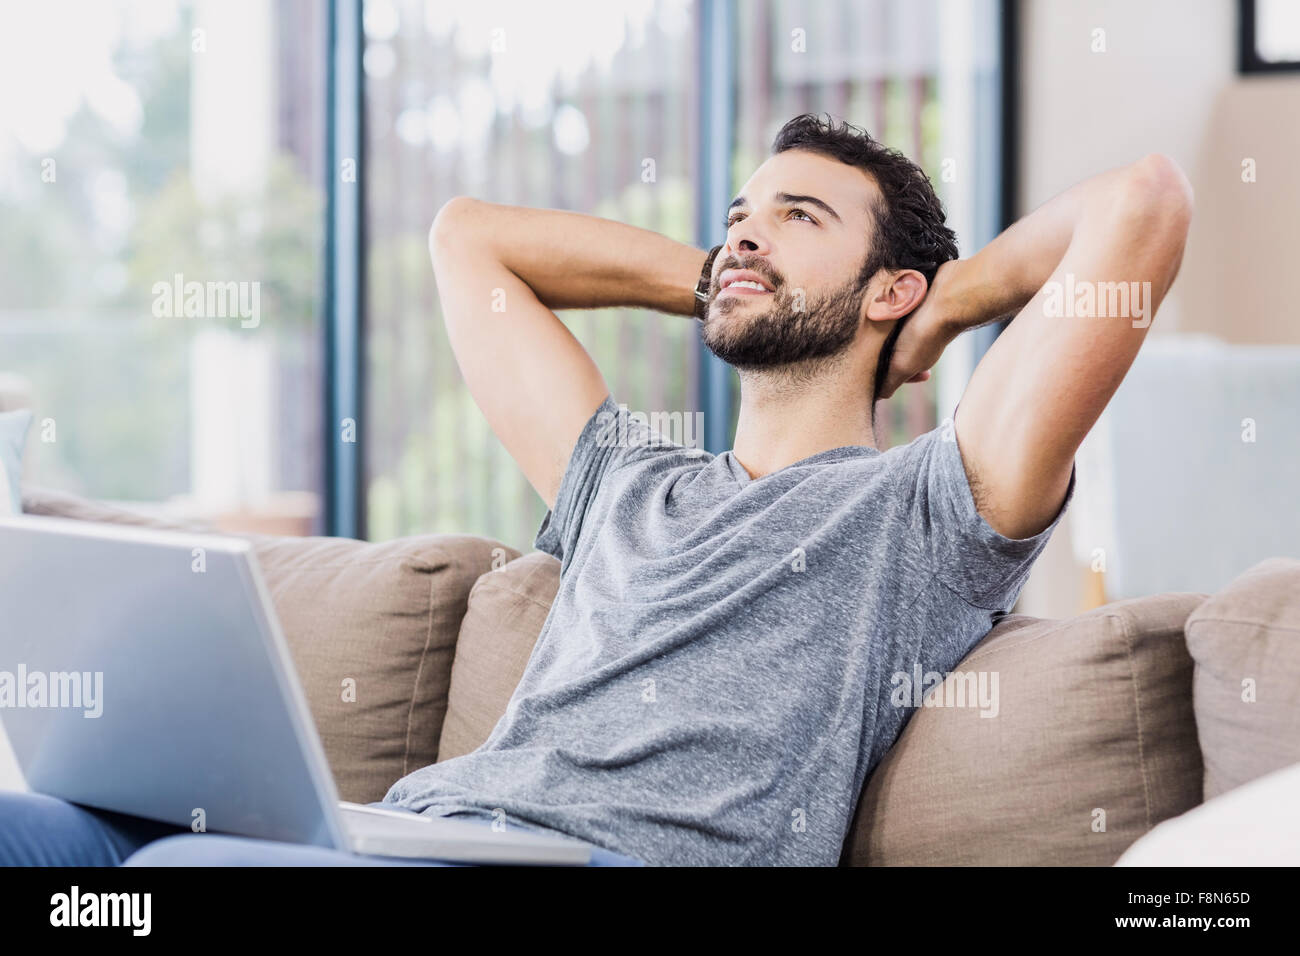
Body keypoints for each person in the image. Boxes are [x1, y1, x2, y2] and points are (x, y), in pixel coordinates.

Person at [0, 113, 1192, 867]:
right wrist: (727, 278)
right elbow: (468, 238)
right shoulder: (626, 477)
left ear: (887, 287)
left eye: (796, 215)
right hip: (426, 829)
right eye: (737, 216)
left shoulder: (928, 509)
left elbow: (1142, 202)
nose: (744, 234)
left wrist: (943, 306)